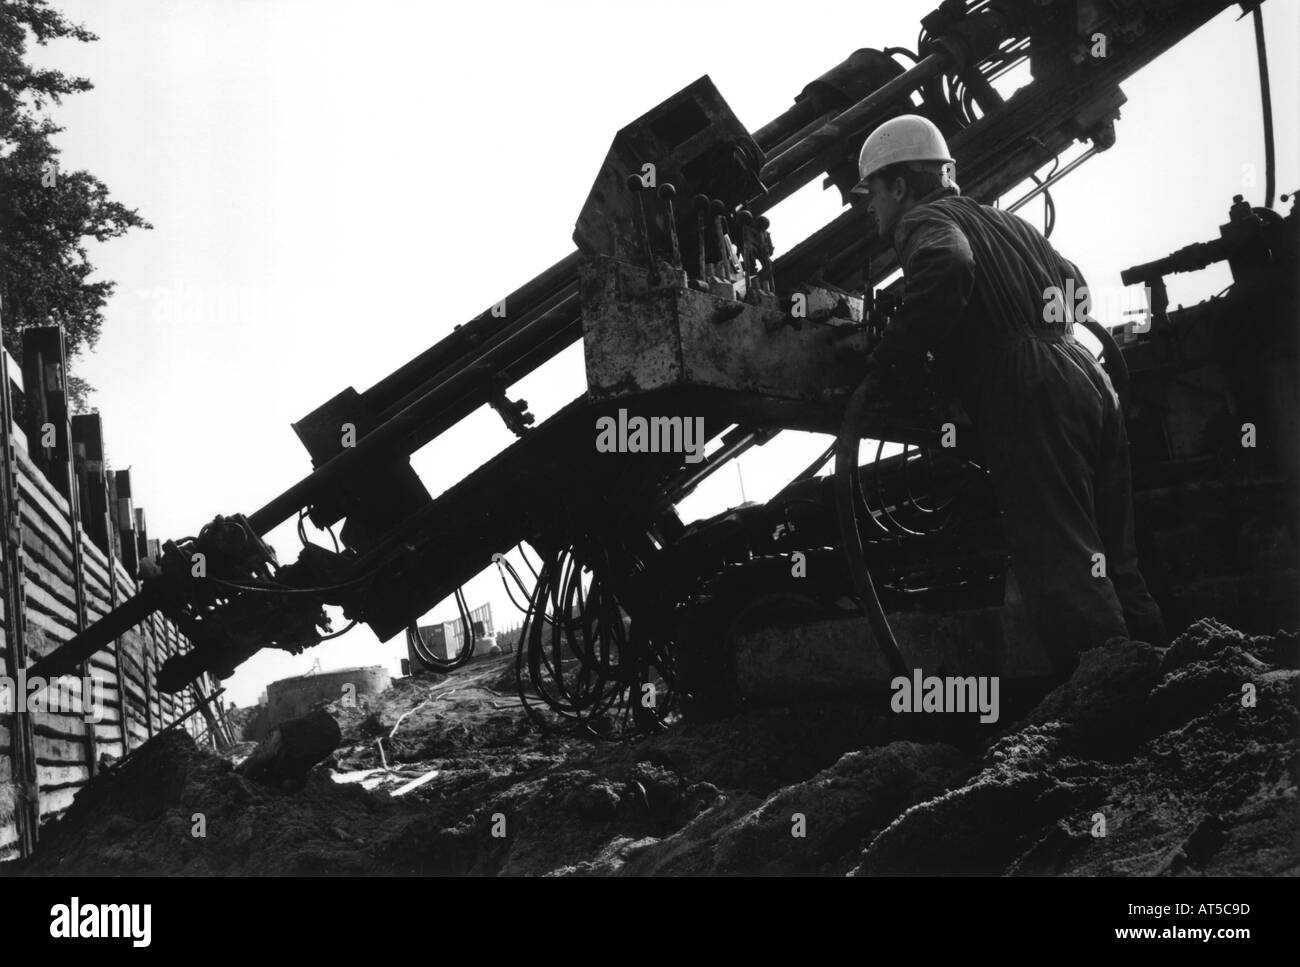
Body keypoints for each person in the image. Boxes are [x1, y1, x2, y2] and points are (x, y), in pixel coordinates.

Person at [851, 114, 1166, 670]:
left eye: (871, 193)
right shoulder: (1006, 222)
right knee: (1114, 552)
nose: (868, 208)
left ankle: (1109, 692)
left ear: (900, 186)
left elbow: (949, 266)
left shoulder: (921, 221)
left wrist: (896, 355)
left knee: (1060, 551)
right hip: (1086, 375)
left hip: (1028, 386)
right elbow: (1078, 290)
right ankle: (1159, 677)